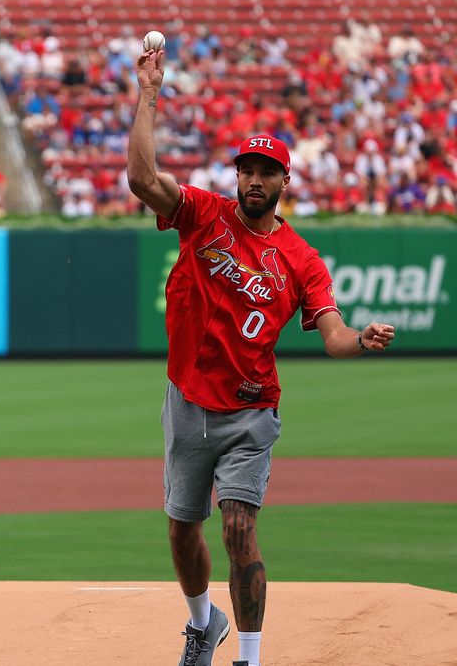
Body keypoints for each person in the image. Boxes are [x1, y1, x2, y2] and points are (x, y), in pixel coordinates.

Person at [127, 46, 396, 666]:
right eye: (245, 168)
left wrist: (360, 339)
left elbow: (331, 334)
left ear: (284, 182)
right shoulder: (203, 215)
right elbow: (143, 180)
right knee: (181, 527)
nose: (253, 178)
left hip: (250, 411)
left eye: (265, 170)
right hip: (188, 398)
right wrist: (148, 94)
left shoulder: (301, 259)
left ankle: (249, 657)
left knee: (238, 526)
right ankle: (203, 624)